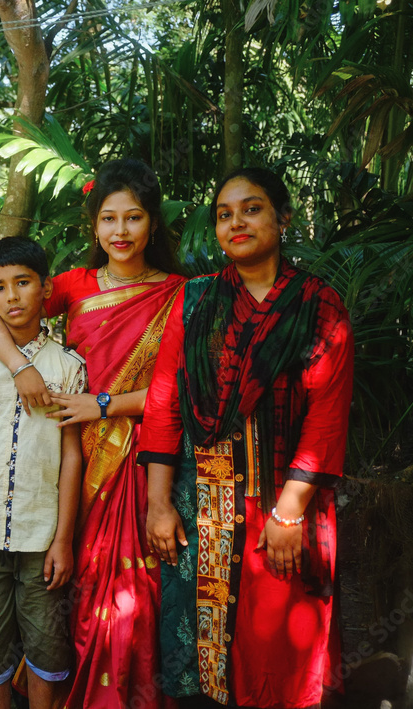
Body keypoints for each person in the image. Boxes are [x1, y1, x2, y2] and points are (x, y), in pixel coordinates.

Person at [138, 167, 354, 707]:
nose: (236, 222)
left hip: (281, 507)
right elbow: (164, 403)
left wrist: (290, 513)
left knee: (278, 654)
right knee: (201, 662)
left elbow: (325, 417)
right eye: (224, 214)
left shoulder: (318, 304)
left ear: (283, 219)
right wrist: (158, 504)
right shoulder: (194, 302)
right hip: (199, 509)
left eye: (251, 209)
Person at [0, 159, 184, 708]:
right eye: (108, 219)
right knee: (68, 582)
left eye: (133, 217)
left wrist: (104, 404)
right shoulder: (72, 286)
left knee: (133, 588)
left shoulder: (180, 294)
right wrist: (21, 368)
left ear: (152, 223)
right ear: (94, 226)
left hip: (141, 460)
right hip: (70, 459)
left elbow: (179, 390)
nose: (121, 231)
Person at [0, 236, 86, 709]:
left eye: (23, 283)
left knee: (45, 640)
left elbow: (71, 456)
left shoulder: (68, 366)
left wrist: (63, 539)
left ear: (45, 288)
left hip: (42, 535)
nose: (12, 296)